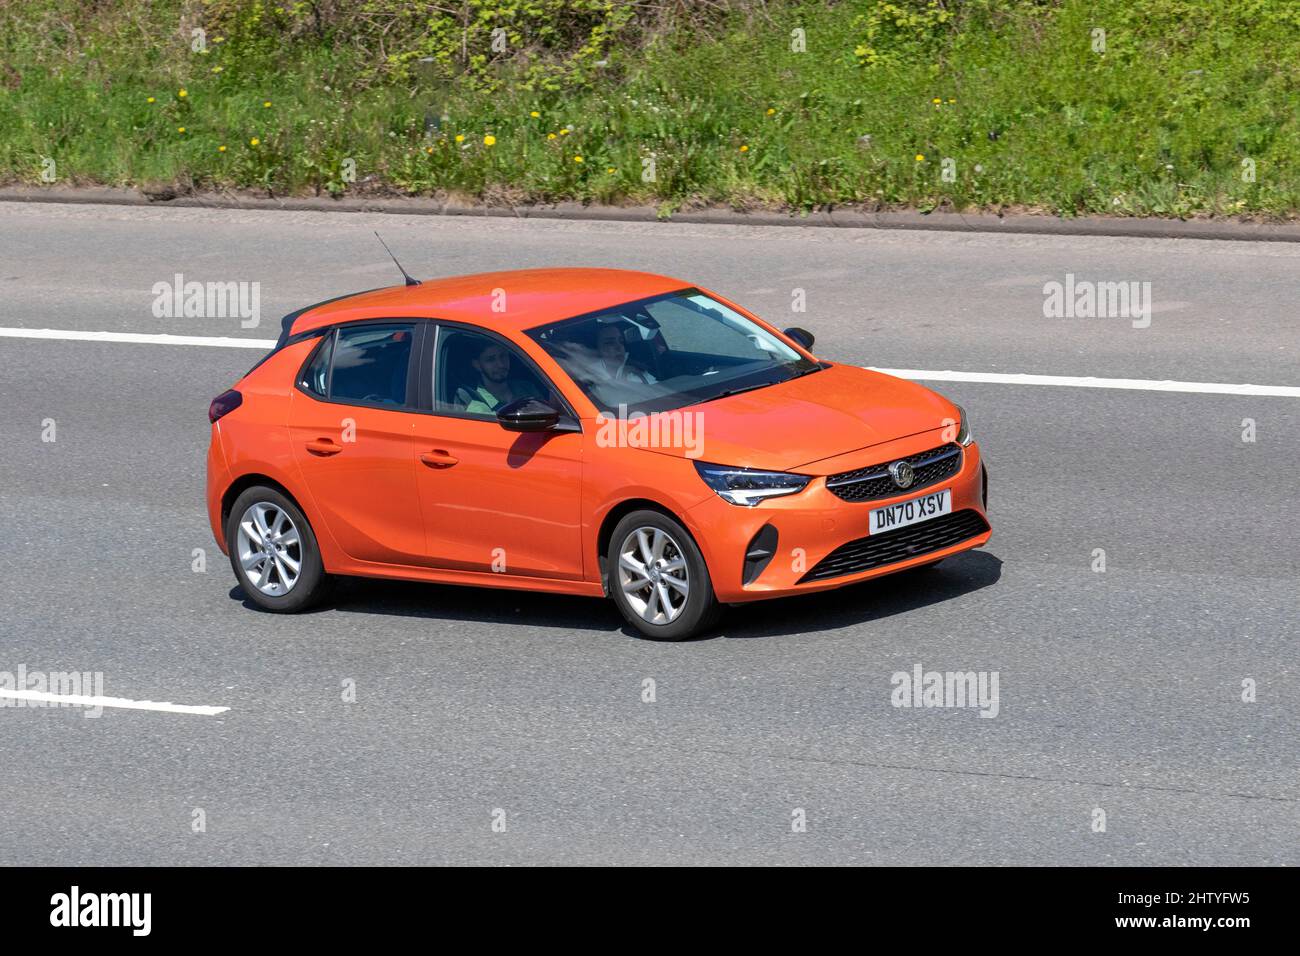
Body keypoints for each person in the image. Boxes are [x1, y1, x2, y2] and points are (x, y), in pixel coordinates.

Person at [458, 339, 544, 415]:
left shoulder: (527, 387)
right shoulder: (474, 401)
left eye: (503, 356)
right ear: (477, 365)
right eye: (491, 359)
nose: (501, 364)